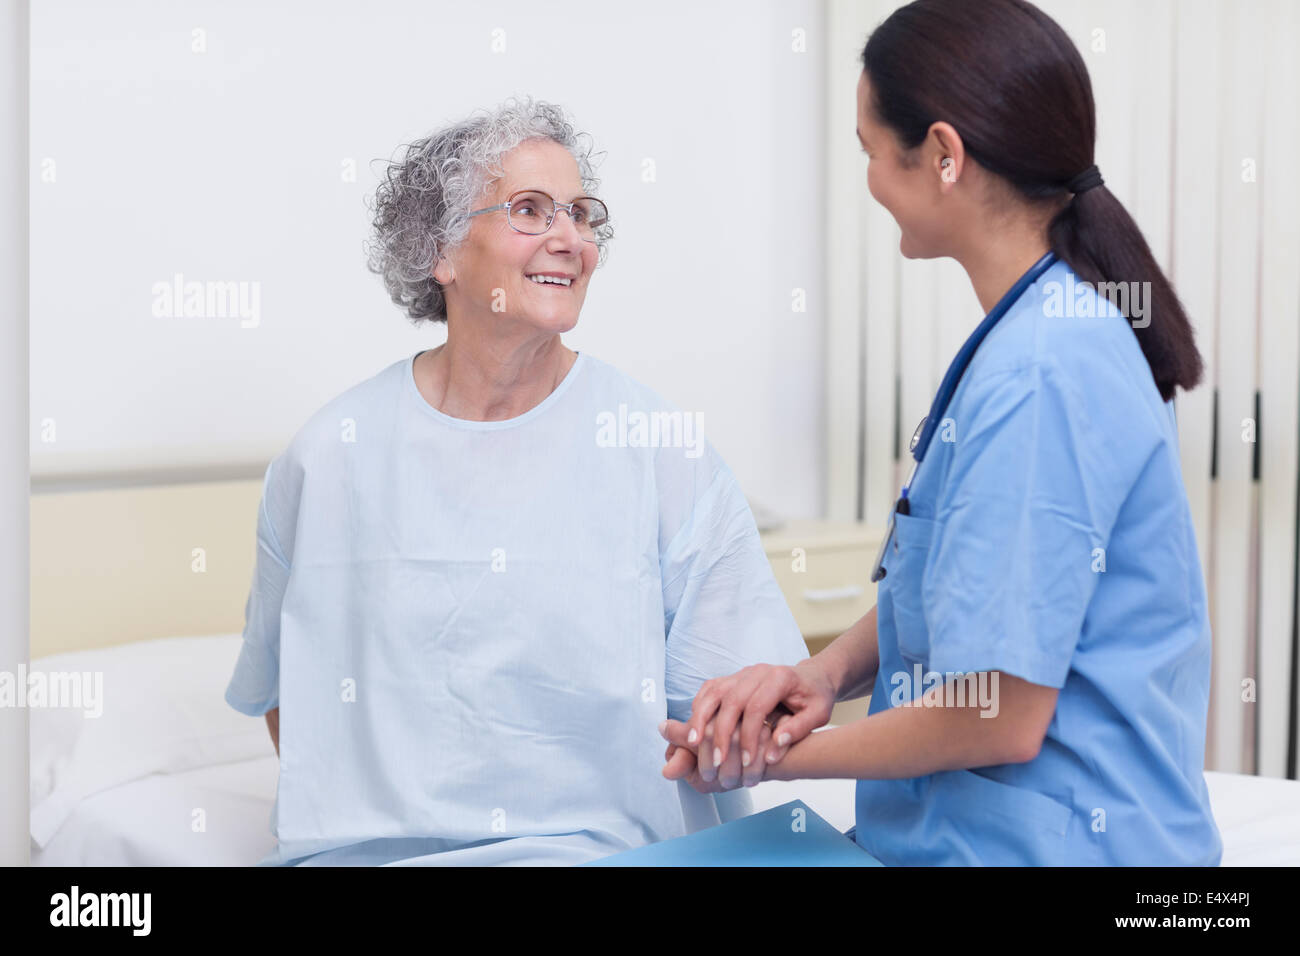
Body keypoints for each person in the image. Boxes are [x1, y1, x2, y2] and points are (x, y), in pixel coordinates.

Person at [660, 0, 1223, 866]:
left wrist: (770, 759)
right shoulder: (1032, 337)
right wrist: (818, 678)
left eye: (871, 152)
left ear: (944, 156)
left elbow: (997, 712)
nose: (872, 181)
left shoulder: (1044, 373)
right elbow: (967, 591)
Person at [223, 97, 808, 865]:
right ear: (440, 250)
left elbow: (742, 705)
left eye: (581, 214)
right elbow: (283, 697)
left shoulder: (658, 447)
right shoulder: (330, 454)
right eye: (531, 210)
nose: (571, 239)